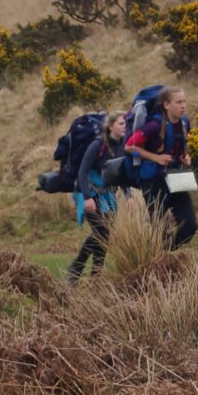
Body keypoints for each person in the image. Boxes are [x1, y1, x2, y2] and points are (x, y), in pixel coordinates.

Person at [124, 86, 197, 249]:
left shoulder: (184, 122)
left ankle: (163, 252)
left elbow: (185, 144)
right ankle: (159, 262)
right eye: (178, 102)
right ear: (166, 105)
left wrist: (186, 156)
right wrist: (155, 157)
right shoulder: (154, 125)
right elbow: (129, 146)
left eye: (184, 101)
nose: (183, 105)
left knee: (190, 227)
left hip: (176, 180)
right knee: (159, 230)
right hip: (152, 182)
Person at [67, 112, 127, 282]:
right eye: (121, 123)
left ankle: (95, 277)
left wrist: (129, 196)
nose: (125, 127)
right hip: (88, 192)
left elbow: (121, 173)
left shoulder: (122, 145)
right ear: (111, 126)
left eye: (125, 124)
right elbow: (82, 172)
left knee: (104, 236)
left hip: (108, 195)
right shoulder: (97, 144)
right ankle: (76, 267)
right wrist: (87, 198)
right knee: (100, 231)